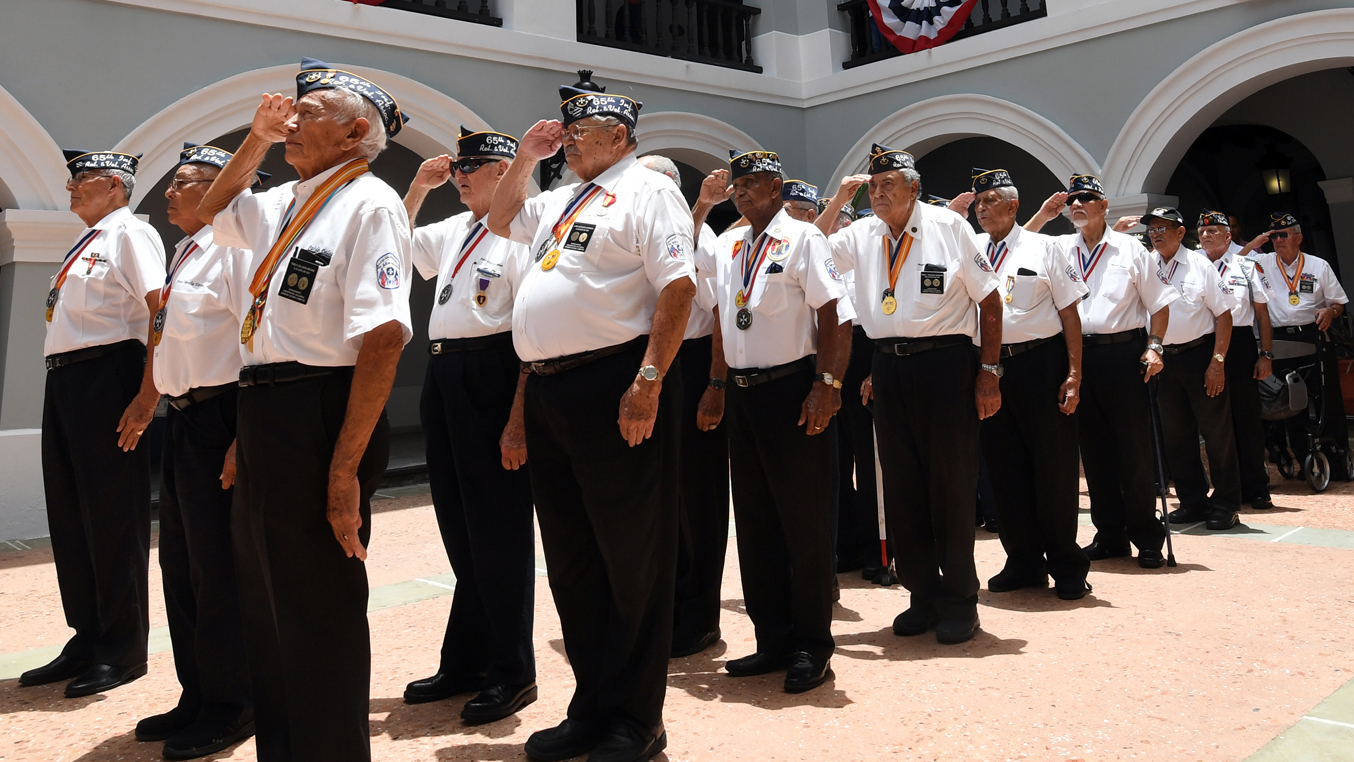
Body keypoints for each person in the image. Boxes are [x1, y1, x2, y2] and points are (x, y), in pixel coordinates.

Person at [196, 58, 413, 761]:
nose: (293, 114)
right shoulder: (290, 200)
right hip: (264, 406)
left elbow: (382, 338)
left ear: (355, 131)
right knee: (265, 602)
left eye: (311, 109)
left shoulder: (370, 202)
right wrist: (255, 141)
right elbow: (211, 210)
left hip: (320, 407)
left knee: (317, 607)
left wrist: (345, 466)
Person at [486, 85, 695, 762]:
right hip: (550, 391)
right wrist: (525, 156)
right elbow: (498, 218)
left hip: (614, 383)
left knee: (631, 557)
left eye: (585, 128)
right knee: (573, 561)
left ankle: (638, 720)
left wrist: (650, 379)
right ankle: (592, 707)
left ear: (623, 135)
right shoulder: (557, 197)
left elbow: (678, 287)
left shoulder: (647, 190)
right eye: (568, 129)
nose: (571, 137)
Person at [818, 144, 1002, 645]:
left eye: (888, 185)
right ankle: (922, 595)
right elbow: (808, 251)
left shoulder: (950, 227)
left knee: (950, 485)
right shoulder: (860, 233)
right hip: (888, 366)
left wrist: (988, 371)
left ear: (913, 188)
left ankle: (961, 600)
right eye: (873, 186)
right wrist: (838, 199)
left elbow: (989, 301)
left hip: (948, 365)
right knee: (901, 488)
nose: (878, 194)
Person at [697, 151, 851, 693]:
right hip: (742, 396)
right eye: (737, 185)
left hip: (793, 390)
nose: (742, 192)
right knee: (757, 523)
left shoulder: (805, 239)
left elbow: (836, 314)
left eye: (754, 183)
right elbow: (721, 317)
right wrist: (716, 385)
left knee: (804, 524)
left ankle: (812, 644)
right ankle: (772, 639)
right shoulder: (728, 244)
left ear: (777, 187)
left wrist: (826, 386)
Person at [400, 127, 538, 723]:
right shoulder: (454, 229)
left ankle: (513, 670)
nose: (460, 173)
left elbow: (532, 336)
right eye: (458, 165)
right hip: (444, 376)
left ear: (507, 169)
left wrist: (517, 420)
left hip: (495, 373)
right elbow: (392, 243)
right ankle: (467, 659)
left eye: (474, 165)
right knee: (460, 526)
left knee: (499, 530)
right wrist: (414, 188)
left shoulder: (525, 230)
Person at [134, 144, 263, 759]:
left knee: (218, 571)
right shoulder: (188, 251)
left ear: (220, 190)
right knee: (181, 566)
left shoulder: (233, 250)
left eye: (183, 183)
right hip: (183, 420)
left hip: (220, 417)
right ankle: (198, 693)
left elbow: (254, 339)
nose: (168, 193)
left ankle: (232, 705)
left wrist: (243, 434)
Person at [21, 150, 163, 699]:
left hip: (110, 378)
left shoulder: (129, 233)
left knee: (110, 518)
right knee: (72, 514)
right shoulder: (89, 240)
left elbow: (159, 308)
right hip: (68, 382)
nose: (70, 188)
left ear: (111, 185)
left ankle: (122, 649)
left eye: (79, 180)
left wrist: (148, 395)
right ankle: (87, 635)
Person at [968, 169, 1091, 600]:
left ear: (1014, 206)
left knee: (1053, 469)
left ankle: (1067, 564)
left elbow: (1071, 313)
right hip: (990, 370)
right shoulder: (973, 250)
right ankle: (1023, 560)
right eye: (977, 204)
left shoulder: (1046, 248)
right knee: (1005, 470)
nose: (982, 210)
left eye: (990, 202)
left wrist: (1074, 374)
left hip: (1041, 365)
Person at [1055, 176, 1177, 568]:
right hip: (1076, 358)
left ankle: (1146, 536)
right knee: (1094, 452)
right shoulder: (1058, 249)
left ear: (1104, 206)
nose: (1078, 204)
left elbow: (1160, 306)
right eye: (1073, 198)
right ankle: (1110, 535)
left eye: (1087, 198)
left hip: (1123, 356)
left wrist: (1155, 347)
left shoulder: (1130, 249)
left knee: (1134, 452)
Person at [640, 154, 730, 660]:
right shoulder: (646, 236)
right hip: (659, 365)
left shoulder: (702, 240)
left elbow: (719, 314)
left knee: (699, 501)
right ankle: (669, 606)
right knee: (663, 500)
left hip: (695, 366)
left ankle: (699, 618)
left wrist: (715, 384)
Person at [1142, 207, 1243, 531]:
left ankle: (1226, 503)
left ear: (1180, 232)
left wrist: (1218, 362)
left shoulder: (1200, 264)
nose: (1155, 234)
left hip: (1200, 356)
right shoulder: (1146, 264)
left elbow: (1224, 315)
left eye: (1163, 228)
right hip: (1163, 360)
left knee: (1216, 435)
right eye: (1152, 229)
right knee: (1176, 436)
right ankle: (1192, 501)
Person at [1249, 213, 1350, 470]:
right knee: (1287, 397)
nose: (1278, 240)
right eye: (1274, 236)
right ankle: (1301, 452)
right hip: (1278, 338)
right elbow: (1231, 263)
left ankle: (1336, 452)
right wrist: (1253, 243)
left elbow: (1339, 303)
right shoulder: (1261, 262)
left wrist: (1330, 312)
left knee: (1326, 394)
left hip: (1313, 333)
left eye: (1284, 235)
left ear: (1299, 238)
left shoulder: (1318, 266)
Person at [1197, 210, 1275, 510]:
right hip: (1203, 344)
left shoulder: (1246, 265)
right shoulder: (1192, 266)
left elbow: (1262, 313)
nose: (1206, 235)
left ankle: (1256, 486)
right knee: (1215, 422)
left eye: (1213, 230)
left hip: (1240, 344)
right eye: (1202, 231)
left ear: (1228, 236)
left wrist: (1265, 354)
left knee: (1246, 418)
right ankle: (1226, 488)